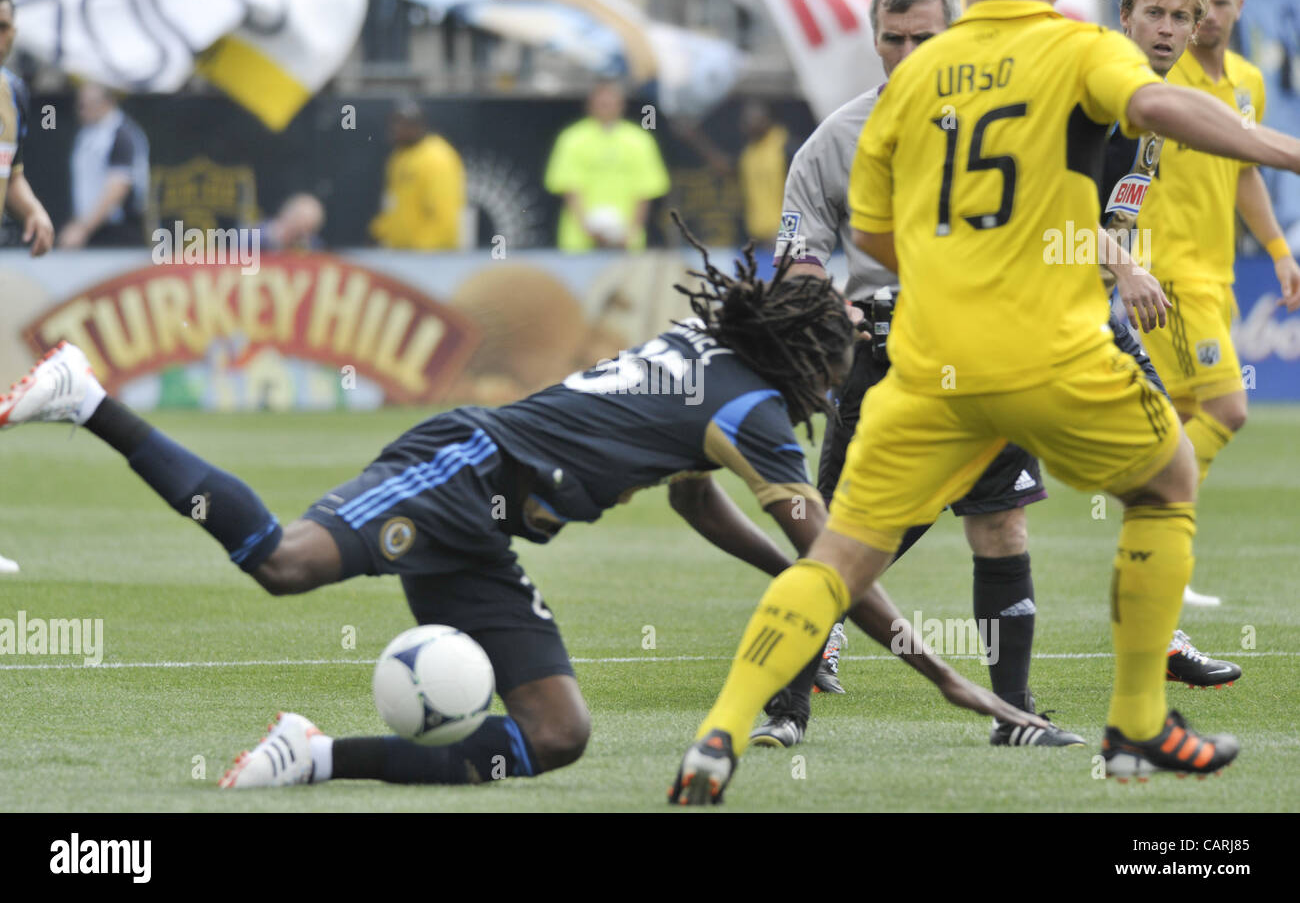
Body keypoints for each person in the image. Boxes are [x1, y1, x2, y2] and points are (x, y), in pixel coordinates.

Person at [0, 227, 1041, 790]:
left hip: (486, 526)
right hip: (463, 466)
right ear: (806, 352)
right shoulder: (757, 412)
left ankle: (311, 754)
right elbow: (842, 561)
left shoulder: (712, 362)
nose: (838, 384)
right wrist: (947, 678)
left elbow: (695, 502)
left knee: (555, 735)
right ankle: (87, 397)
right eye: (841, 364)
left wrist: (791, 580)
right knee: (283, 560)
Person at [671, 0, 1300, 805]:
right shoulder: (1072, 51)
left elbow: (877, 235)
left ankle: (723, 729)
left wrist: (952, 268)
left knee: (841, 552)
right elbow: (1158, 106)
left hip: (923, 354)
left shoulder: (911, 93)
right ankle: (1136, 722)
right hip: (1039, 349)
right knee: (1169, 479)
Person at [755, 0, 1087, 751]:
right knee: (838, 538)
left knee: (1001, 526)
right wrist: (821, 300)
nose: (906, 53)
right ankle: (783, 708)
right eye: (893, 38)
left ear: (957, 33)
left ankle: (1015, 716)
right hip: (884, 355)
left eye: (923, 38)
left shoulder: (1013, 123)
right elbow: (801, 251)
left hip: (990, 349)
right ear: (875, 38)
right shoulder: (836, 139)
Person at [1134, 0, 1300, 605]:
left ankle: (1159, 556)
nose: (1205, 18)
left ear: (1236, 6)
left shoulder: (1247, 81)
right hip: (1168, 274)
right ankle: (1156, 537)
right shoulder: (1156, 78)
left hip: (1218, 272)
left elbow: (1245, 170)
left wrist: (1279, 251)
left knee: (1181, 417)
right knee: (1227, 407)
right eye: (1185, 9)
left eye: (1218, 4)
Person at [1100, 0, 1244, 684]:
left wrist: (1116, 264)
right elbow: (1048, 211)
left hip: (1080, 318)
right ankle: (822, 615)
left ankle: (1158, 636)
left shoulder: (1149, 113)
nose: (1166, 28)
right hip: (1021, 321)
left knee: (1169, 467)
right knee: (939, 496)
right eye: (1153, 13)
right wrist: (1126, 268)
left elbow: (1109, 217)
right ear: (1125, 16)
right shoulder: (1098, 95)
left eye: (1180, 17)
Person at [0, 0, 53, 577]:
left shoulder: (13, 91)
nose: (2, 37)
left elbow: (11, 172)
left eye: (6, 26)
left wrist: (32, 209)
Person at [544, 80, 670, 252]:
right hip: (580, 244)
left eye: (611, 103)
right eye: (602, 103)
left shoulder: (639, 141)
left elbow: (646, 191)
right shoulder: (572, 139)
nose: (606, 108)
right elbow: (568, 188)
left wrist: (630, 232)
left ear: (621, 105)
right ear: (590, 105)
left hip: (626, 243)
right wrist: (588, 230)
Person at [58, 82, 148, 249]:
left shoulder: (121, 135)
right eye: (80, 105)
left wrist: (82, 229)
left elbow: (118, 188)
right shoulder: (87, 133)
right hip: (94, 229)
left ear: (108, 102)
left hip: (119, 232)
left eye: (88, 105)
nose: (82, 111)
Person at [369, 100, 465, 250]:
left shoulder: (438, 157)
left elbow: (444, 214)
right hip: (401, 251)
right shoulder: (398, 158)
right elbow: (395, 206)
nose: (395, 129)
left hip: (431, 254)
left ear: (418, 126)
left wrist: (424, 249)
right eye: (395, 122)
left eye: (403, 124)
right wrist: (379, 231)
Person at [736, 100, 790, 246]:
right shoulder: (749, 152)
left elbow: (800, 196)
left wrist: (787, 236)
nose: (750, 125)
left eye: (754, 120)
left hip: (782, 233)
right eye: (746, 121)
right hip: (757, 235)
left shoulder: (785, 148)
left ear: (767, 120)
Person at [258, 193, 325, 251]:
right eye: (300, 229)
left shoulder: (313, 244)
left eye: (310, 230)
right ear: (287, 217)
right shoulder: (255, 237)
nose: (305, 234)